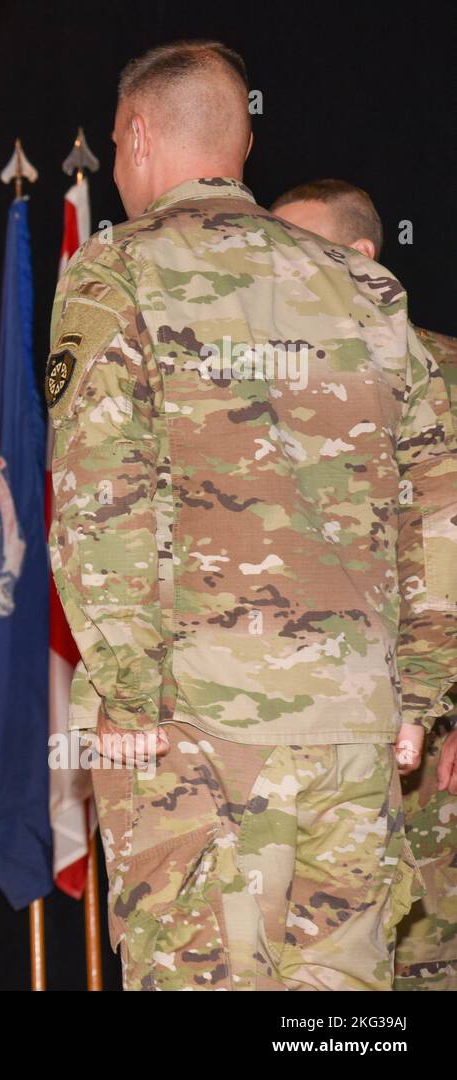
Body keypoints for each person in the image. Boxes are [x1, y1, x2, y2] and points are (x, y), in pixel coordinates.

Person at [46, 41, 457, 989]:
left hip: (196, 728)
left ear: (139, 135)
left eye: (116, 145)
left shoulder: (119, 272)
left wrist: (130, 691)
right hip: (356, 726)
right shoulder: (368, 291)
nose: (117, 167)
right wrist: (420, 693)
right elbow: (438, 498)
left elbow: (98, 493)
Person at [273, 179, 457, 991]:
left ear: (360, 259)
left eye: (294, 249)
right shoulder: (249, 384)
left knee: (419, 961)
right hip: (302, 754)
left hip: (430, 759)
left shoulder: (443, 373)